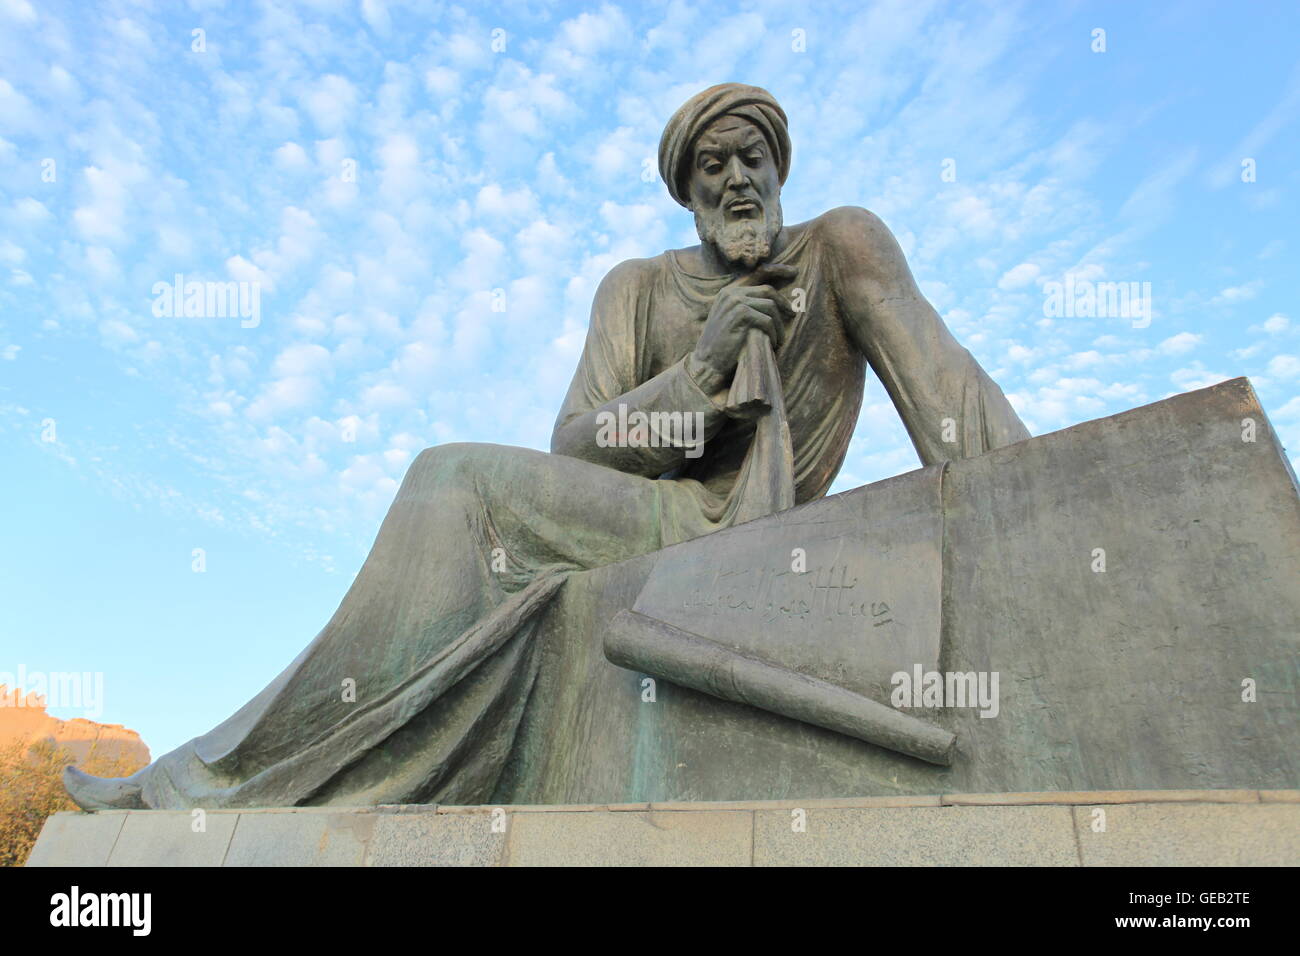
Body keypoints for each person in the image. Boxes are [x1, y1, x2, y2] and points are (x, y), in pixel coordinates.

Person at [65, 82, 1028, 810]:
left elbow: (947, 392)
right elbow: (574, 444)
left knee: (452, 479)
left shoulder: (841, 246)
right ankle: (222, 776)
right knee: (451, 485)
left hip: (762, 527)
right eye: (713, 166)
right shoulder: (637, 288)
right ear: (687, 190)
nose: (737, 179)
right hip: (665, 511)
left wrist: (1045, 499)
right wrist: (699, 375)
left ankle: (213, 779)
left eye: (751, 159)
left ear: (781, 168)